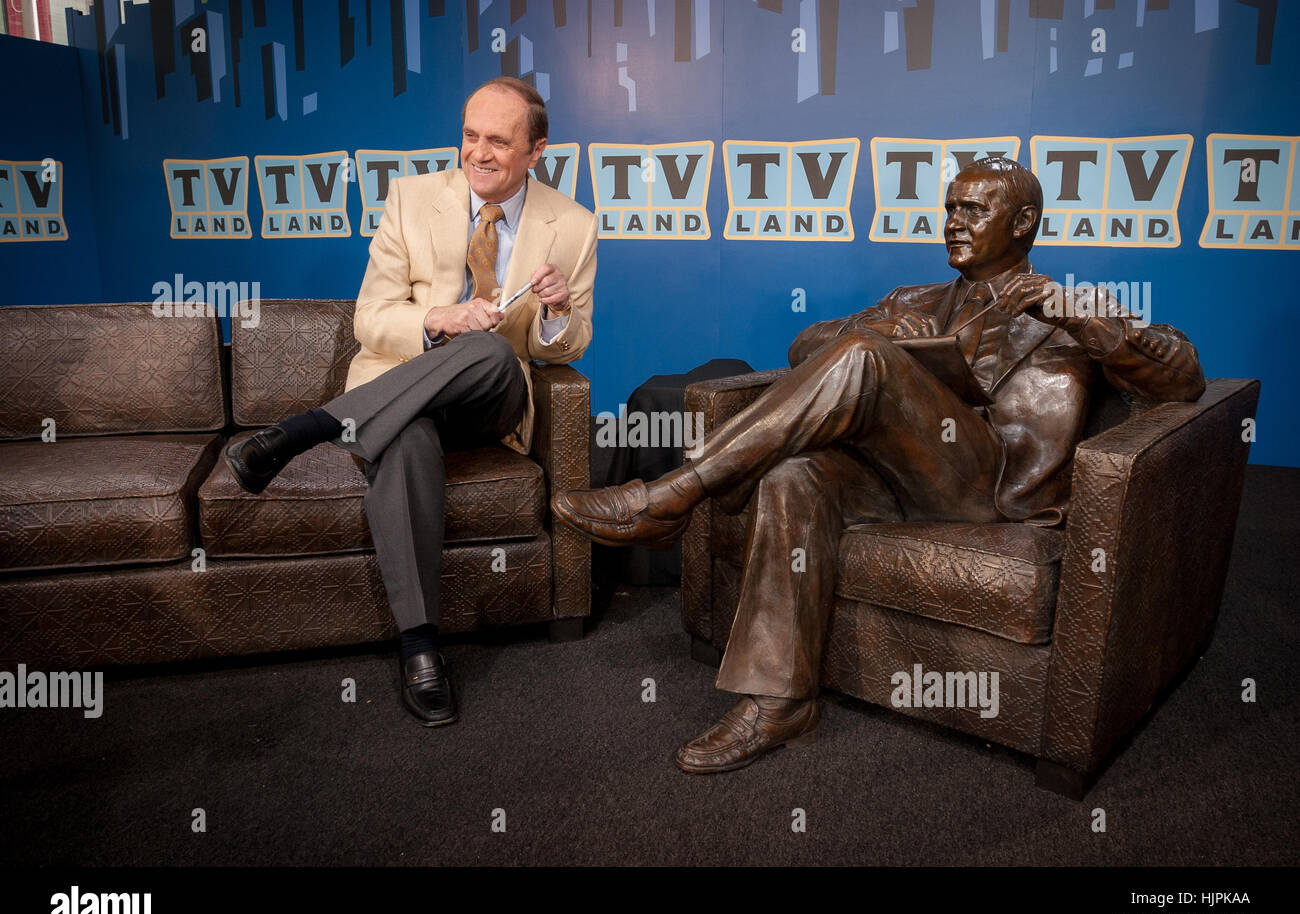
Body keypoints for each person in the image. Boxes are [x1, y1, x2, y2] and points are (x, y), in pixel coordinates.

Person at [553, 157, 1203, 773]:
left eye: (973, 210)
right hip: (903, 481)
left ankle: (670, 496)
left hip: (996, 491)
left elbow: (1181, 379)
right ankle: (780, 705)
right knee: (794, 472)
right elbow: (803, 345)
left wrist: (1074, 313)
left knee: (865, 356)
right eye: (950, 208)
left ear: (1024, 222)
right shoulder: (914, 299)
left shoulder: (1071, 310)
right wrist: (887, 336)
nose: (953, 222)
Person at [224, 77, 597, 727]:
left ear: (536, 152)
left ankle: (306, 430)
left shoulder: (573, 224)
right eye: (470, 136)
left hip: (491, 398)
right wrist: (438, 320)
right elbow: (370, 317)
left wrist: (560, 308)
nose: (478, 153)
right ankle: (421, 648)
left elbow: (566, 348)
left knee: (489, 352)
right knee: (407, 437)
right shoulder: (412, 198)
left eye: (499, 142)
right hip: (402, 389)